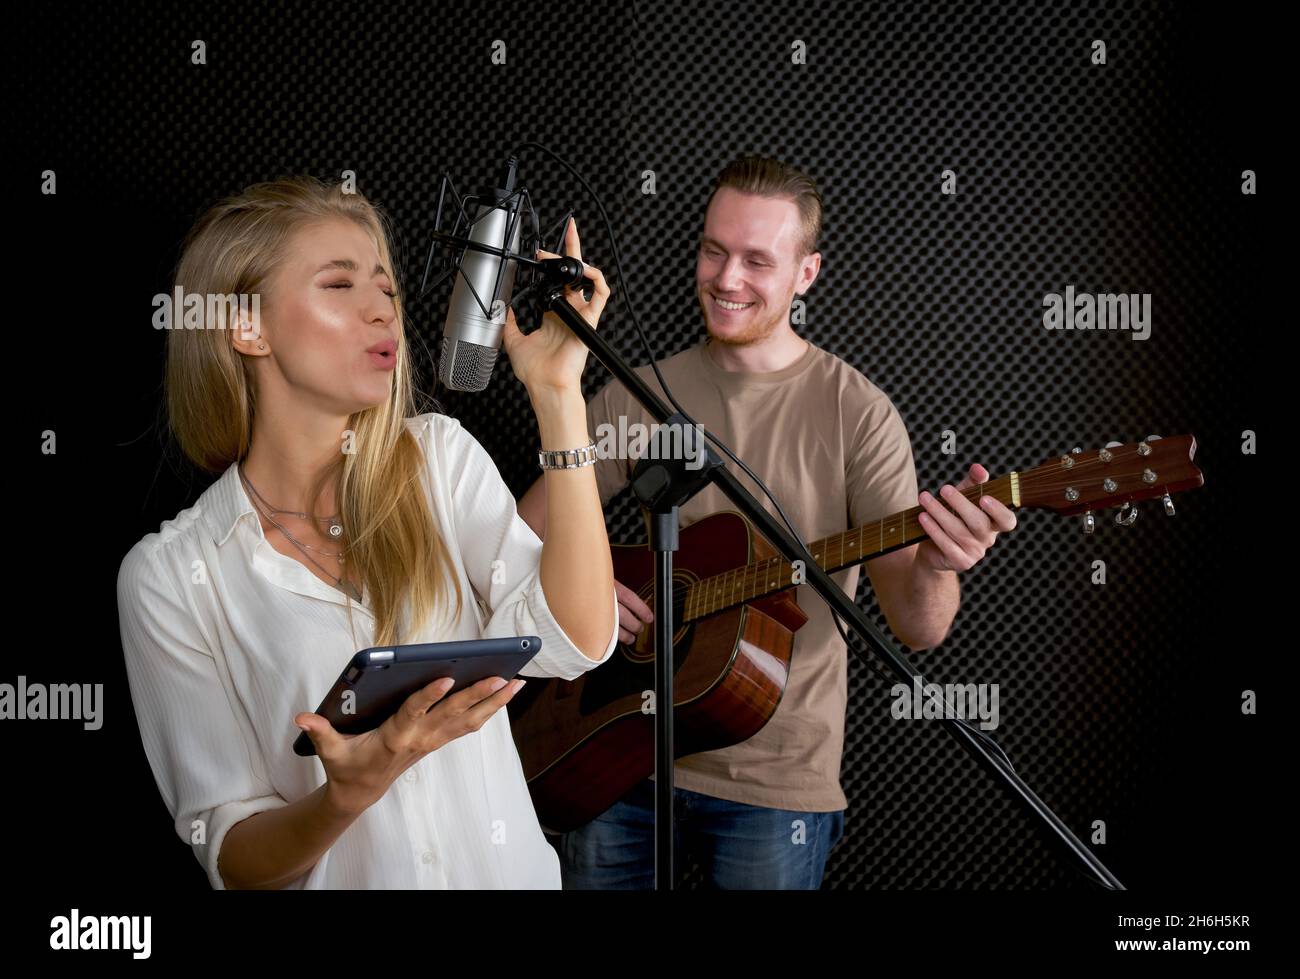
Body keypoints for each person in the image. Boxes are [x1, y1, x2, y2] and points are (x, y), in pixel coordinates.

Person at [516, 155, 1018, 889]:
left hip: (774, 787)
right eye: (714, 251)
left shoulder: (857, 412)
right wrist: (580, 594)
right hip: (618, 756)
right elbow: (523, 534)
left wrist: (939, 565)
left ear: (806, 274)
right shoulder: (641, 390)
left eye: (757, 260)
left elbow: (918, 627)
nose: (726, 279)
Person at [116, 175, 619, 889]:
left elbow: (576, 639)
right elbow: (231, 850)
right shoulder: (168, 576)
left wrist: (557, 393)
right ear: (246, 326)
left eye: (384, 287)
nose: (381, 310)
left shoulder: (439, 460)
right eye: (338, 285)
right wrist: (345, 794)